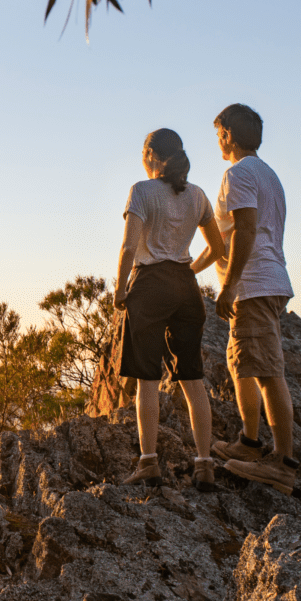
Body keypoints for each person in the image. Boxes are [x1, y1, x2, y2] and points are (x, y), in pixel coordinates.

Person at [113, 129, 226, 491]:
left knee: (147, 378)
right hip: (185, 287)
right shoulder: (198, 196)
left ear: (149, 155)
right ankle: (205, 465)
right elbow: (218, 248)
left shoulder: (142, 191)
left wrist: (118, 289)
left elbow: (129, 248)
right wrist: (188, 271)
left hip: (149, 286)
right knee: (192, 378)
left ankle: (148, 464)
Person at [208, 104, 299, 494]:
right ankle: (249, 442)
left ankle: (283, 462)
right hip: (266, 280)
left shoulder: (238, 173)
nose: (217, 141)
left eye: (218, 134)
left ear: (227, 134)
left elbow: (244, 231)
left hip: (254, 284)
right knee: (242, 362)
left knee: (267, 371)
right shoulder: (268, 175)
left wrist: (228, 285)